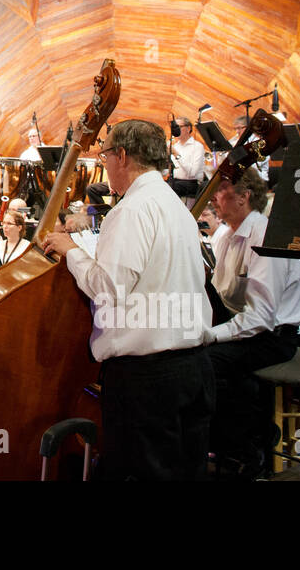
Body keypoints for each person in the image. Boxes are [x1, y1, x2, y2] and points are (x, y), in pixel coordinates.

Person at [43, 119, 213, 481]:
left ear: (121, 155)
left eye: (105, 155)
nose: (104, 164)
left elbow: (108, 288)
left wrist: (70, 250)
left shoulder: (131, 210)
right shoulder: (176, 207)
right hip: (193, 369)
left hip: (149, 380)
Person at [204, 168, 300, 476]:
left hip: (276, 337)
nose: (213, 195)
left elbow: (261, 317)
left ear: (244, 196)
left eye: (222, 189)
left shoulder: (264, 235)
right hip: (249, 328)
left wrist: (211, 335)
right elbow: (223, 299)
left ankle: (245, 448)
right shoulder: (226, 237)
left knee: (208, 361)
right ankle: (238, 438)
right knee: (186, 355)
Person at [169, 118, 205, 200]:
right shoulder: (176, 146)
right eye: (175, 128)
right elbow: (169, 171)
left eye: (179, 127)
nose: (176, 130)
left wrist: (176, 155)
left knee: (169, 188)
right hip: (175, 181)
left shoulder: (197, 146)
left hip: (191, 183)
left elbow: (192, 173)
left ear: (188, 128)